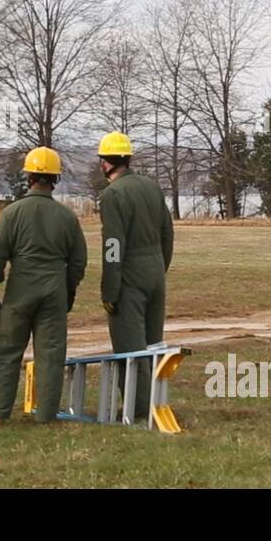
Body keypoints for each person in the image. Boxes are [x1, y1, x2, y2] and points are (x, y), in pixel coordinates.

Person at [0, 146, 87, 426]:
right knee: (50, 355)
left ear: (28, 177)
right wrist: (70, 289)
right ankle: (47, 416)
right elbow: (78, 261)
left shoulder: (12, 213)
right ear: (55, 179)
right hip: (54, 289)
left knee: (7, 351)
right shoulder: (67, 218)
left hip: (20, 288)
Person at [96, 131, 174, 422]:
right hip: (156, 271)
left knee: (130, 349)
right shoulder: (152, 187)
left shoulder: (113, 195)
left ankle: (137, 410)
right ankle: (155, 403)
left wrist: (109, 291)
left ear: (105, 163)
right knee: (154, 345)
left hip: (129, 276)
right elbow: (168, 233)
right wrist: (159, 267)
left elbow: (113, 247)